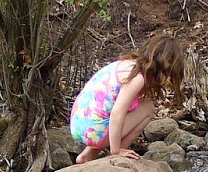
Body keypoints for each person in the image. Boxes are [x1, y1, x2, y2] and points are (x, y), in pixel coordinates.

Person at [70, 35, 187, 164]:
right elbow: (117, 113)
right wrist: (116, 150)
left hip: (78, 124)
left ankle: (86, 156)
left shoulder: (125, 64)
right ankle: (116, 153)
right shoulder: (137, 79)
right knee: (148, 108)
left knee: (119, 111)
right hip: (94, 131)